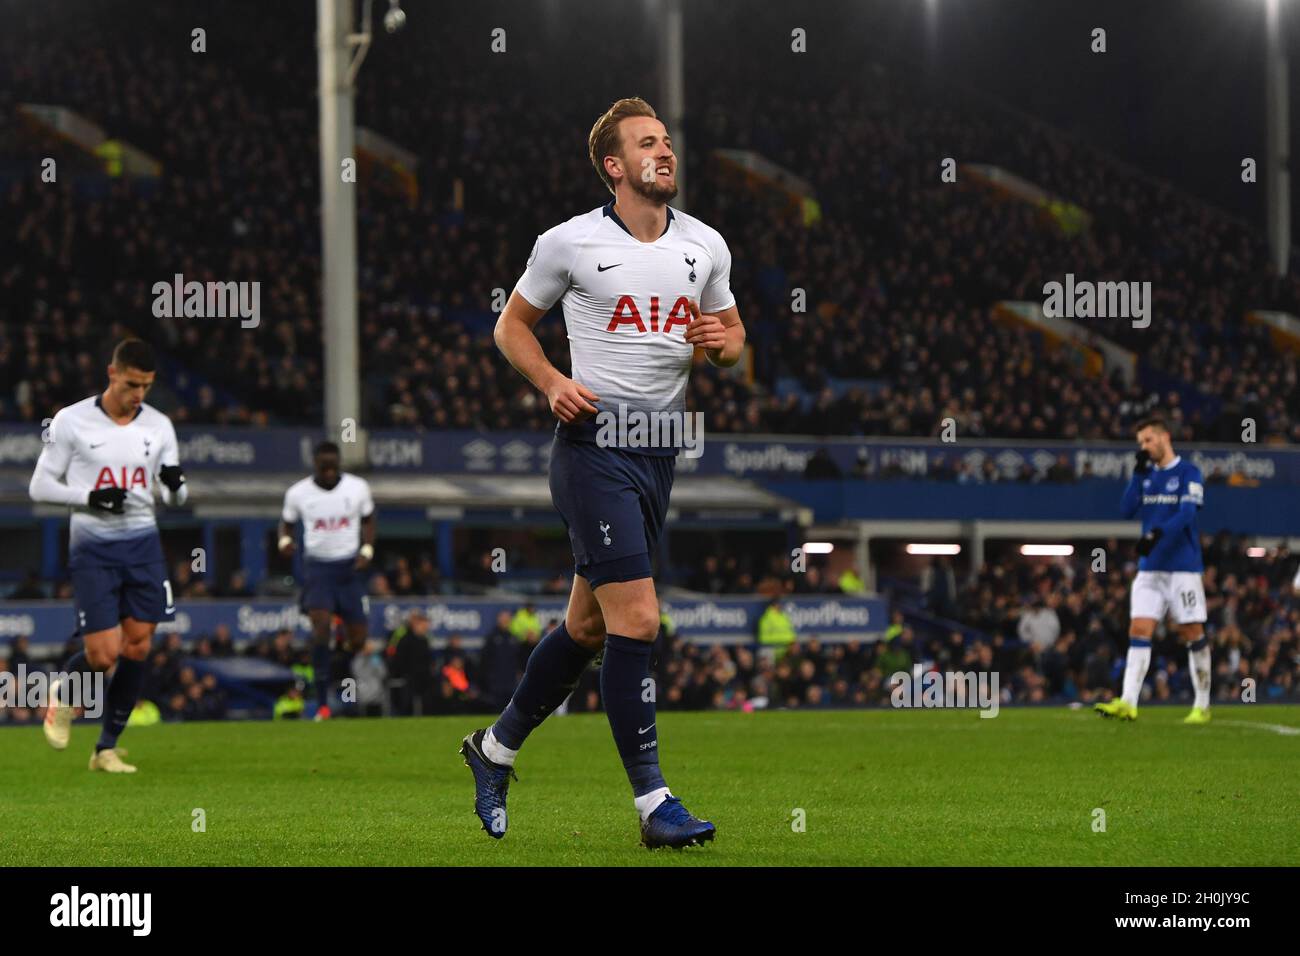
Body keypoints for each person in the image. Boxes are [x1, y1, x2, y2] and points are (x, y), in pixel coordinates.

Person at [461, 97, 744, 849]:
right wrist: (552, 382)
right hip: (594, 449)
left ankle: (492, 751)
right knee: (640, 620)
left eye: (668, 142)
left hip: (660, 449)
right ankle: (655, 805)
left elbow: (733, 337)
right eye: (648, 144)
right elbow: (510, 326)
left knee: (586, 626)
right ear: (614, 166)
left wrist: (723, 342)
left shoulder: (705, 245)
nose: (666, 153)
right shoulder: (570, 243)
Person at [32, 338, 188, 773]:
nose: (138, 395)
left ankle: (105, 749)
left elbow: (176, 498)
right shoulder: (72, 421)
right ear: (112, 373)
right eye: (131, 384)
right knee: (104, 655)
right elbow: (39, 487)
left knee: (138, 646)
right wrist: (90, 498)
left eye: (146, 387)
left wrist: (176, 486)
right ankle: (63, 696)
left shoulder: (159, 426)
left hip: (142, 545)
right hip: (93, 546)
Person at [1097, 416, 1211, 724]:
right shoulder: (1146, 475)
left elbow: (1187, 514)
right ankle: (1128, 702)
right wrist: (1136, 474)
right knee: (1139, 629)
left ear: (1164, 437)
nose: (1144, 447)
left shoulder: (1189, 472)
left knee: (1191, 633)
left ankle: (1202, 705)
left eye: (1148, 440)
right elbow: (1125, 510)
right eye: (1140, 443)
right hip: (1150, 569)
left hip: (1183, 569)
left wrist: (1158, 534)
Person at [278, 441, 376, 720]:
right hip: (318, 569)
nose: (330, 472)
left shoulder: (358, 488)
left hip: (349, 569)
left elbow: (369, 519)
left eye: (334, 466)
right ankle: (322, 703)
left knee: (359, 641)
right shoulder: (298, 493)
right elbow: (286, 521)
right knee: (320, 630)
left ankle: (340, 639)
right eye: (325, 467)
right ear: (315, 465)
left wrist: (367, 549)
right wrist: (284, 539)